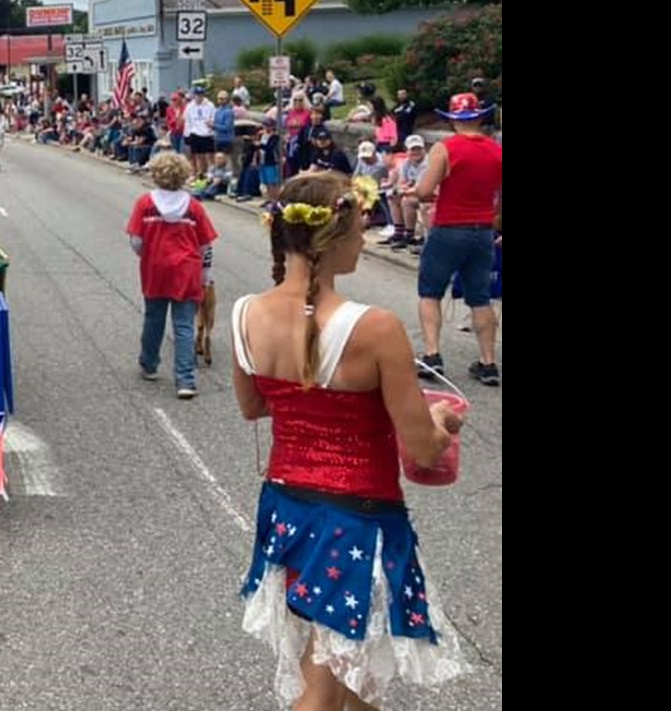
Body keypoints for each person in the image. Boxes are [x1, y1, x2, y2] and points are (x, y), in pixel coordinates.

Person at [232, 171, 468, 709]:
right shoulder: (375, 327)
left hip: (289, 511)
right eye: (361, 228)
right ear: (332, 238)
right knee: (338, 685)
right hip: (357, 518)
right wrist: (445, 423)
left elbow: (253, 407)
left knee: (335, 674)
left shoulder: (246, 313)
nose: (366, 239)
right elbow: (425, 447)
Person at [414, 93, 502, 384]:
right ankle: (488, 362)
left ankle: (432, 355)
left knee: (430, 291)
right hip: (483, 229)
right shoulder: (495, 150)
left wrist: (429, 195)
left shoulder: (445, 149)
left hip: (450, 226)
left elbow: (425, 190)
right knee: (480, 296)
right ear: (480, 117)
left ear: (453, 120)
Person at [126, 152, 217, 399]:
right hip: (187, 270)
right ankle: (185, 379)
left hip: (155, 269)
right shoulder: (194, 207)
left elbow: (136, 241)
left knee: (154, 318)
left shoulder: (145, 204)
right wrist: (205, 274)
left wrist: (148, 254)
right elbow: (205, 246)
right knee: (184, 325)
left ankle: (149, 363)